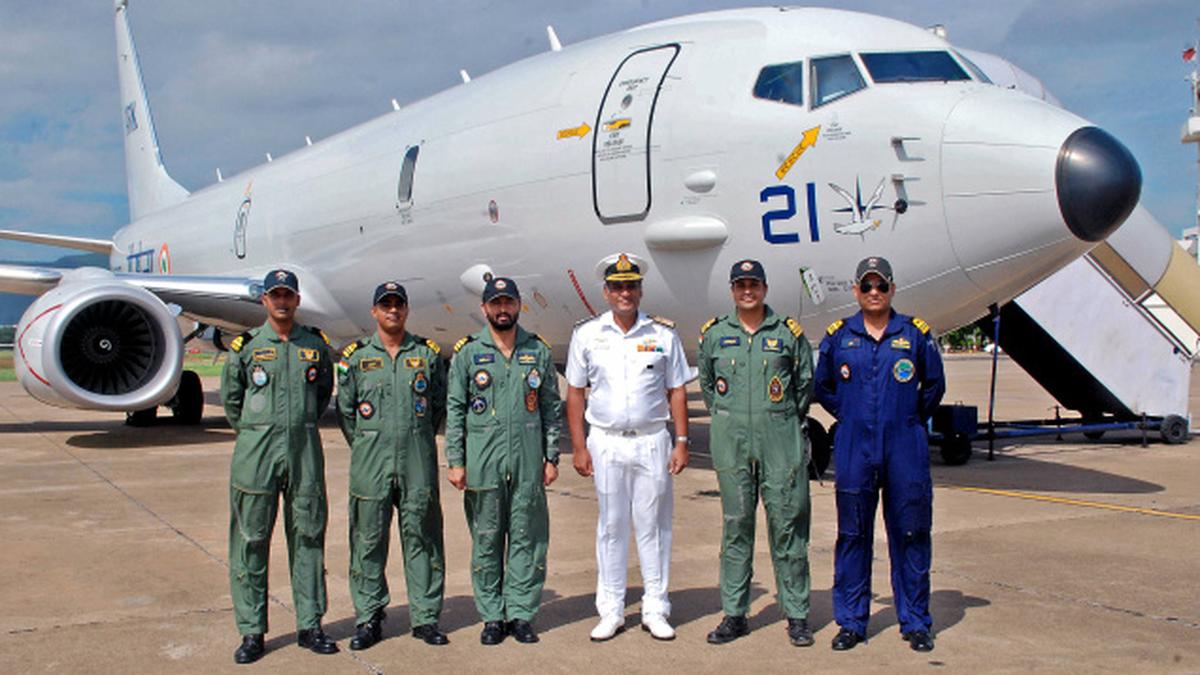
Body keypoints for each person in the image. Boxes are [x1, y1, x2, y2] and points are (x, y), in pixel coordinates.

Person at [814, 256, 946, 653]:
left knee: (911, 533)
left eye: (881, 286)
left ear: (892, 289)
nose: (874, 293)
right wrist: (854, 416)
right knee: (852, 535)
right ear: (856, 291)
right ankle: (852, 621)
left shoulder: (915, 334)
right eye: (867, 286)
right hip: (857, 445)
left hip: (904, 444)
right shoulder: (840, 337)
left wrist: (903, 418)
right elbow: (825, 388)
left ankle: (916, 621)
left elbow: (933, 387)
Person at [566, 253, 690, 642]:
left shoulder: (662, 334)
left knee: (655, 527)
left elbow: (677, 391)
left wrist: (682, 442)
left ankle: (655, 607)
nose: (625, 293)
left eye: (631, 286)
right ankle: (612, 609)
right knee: (612, 527)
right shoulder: (587, 335)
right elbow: (574, 393)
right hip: (605, 442)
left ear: (640, 291)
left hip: (652, 440)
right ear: (606, 292)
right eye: (617, 287)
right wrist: (578, 447)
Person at [220, 269, 337, 664]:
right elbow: (232, 401)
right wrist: (258, 432)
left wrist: (294, 426)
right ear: (265, 301)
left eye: (288, 294)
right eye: (275, 295)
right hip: (256, 455)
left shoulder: (314, 345)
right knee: (251, 540)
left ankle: (310, 624)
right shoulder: (247, 345)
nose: (282, 301)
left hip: (303, 451)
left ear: (298, 300)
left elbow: (321, 393)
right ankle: (252, 631)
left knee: (308, 536)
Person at [697, 259, 815, 647]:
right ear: (732, 290)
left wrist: (775, 420)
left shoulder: (787, 333)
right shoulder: (715, 335)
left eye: (754, 284)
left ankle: (796, 613)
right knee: (736, 527)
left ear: (765, 288)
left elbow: (802, 388)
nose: (747, 290)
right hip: (732, 442)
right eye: (740, 284)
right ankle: (735, 613)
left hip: (779, 440)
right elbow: (710, 389)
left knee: (787, 525)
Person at [444, 276, 563, 646]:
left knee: (527, 538)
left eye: (508, 302)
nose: (502, 309)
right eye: (495, 303)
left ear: (518, 306)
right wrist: (456, 460)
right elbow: (456, 409)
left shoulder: (536, 351)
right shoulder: (468, 353)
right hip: (483, 462)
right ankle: (492, 615)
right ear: (484, 308)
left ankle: (522, 614)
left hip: (528, 460)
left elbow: (550, 408)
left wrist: (551, 455)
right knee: (487, 539)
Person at [336, 281, 449, 649]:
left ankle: (425, 617)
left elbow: (437, 406)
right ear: (374, 312)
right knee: (368, 541)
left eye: (398, 304)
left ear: (406, 309)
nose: (392, 310)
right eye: (385, 305)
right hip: (371, 464)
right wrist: (371, 444)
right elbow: (347, 413)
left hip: (416, 461)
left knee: (423, 538)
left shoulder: (427, 354)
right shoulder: (355, 357)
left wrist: (415, 437)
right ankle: (369, 617)